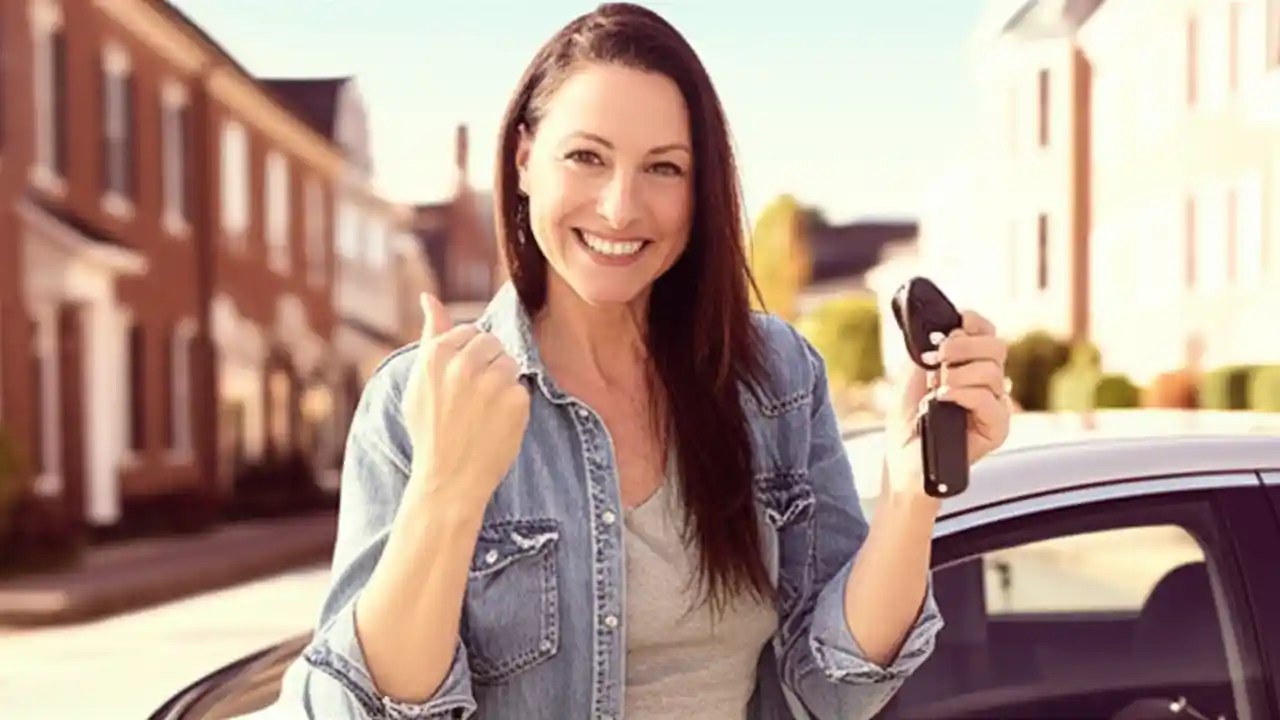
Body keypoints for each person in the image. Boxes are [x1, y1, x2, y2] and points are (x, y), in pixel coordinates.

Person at [267, 3, 1011, 719]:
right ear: (525, 159)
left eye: (663, 169)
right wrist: (445, 490)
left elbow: (835, 689)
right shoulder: (423, 396)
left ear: (701, 189)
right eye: (586, 157)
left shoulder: (776, 377)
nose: (622, 208)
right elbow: (358, 712)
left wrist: (912, 497)